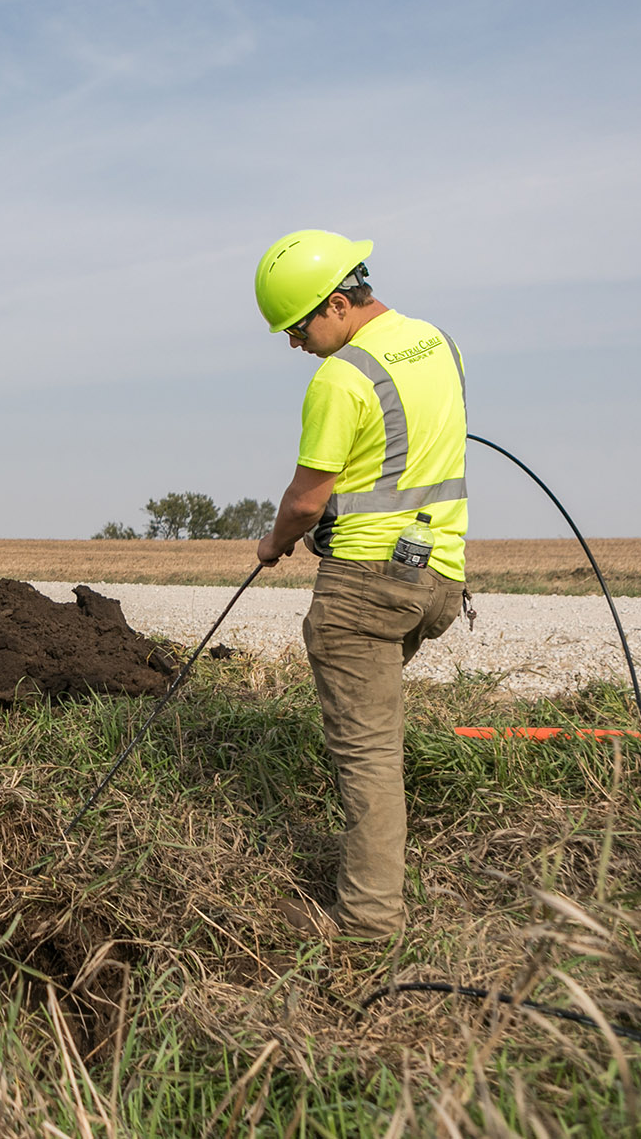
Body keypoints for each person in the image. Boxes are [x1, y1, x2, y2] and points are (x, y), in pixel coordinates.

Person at [253, 229, 469, 940]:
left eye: (298, 327)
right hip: (438, 577)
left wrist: (275, 542)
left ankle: (369, 924)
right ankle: (379, 880)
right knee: (377, 740)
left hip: (365, 589)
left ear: (338, 304)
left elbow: (306, 500)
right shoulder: (435, 343)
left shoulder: (341, 377)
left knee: (368, 753)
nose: (296, 344)